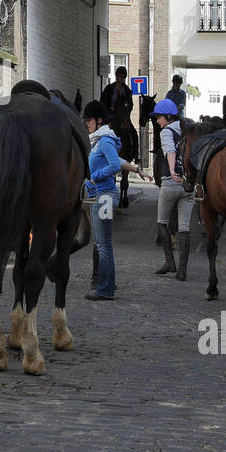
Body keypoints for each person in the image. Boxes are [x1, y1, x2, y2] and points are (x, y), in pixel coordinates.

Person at [82, 100, 143, 301]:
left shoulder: (105, 140)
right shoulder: (101, 139)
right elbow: (119, 162)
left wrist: (94, 176)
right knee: (103, 243)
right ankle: (106, 284)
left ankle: (105, 289)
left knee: (103, 244)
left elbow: (114, 164)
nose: (87, 123)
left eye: (89, 120)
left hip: (104, 197)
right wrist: (135, 169)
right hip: (100, 196)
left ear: (99, 120)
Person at [152, 98, 194, 280]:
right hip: (188, 185)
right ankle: (182, 270)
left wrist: (172, 171)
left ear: (168, 116)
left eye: (159, 117)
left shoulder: (166, 132)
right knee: (184, 227)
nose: (157, 121)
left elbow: (170, 151)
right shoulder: (188, 130)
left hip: (171, 182)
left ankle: (170, 262)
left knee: (162, 222)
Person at [100, 67, 138, 207]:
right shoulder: (109, 89)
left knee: (133, 133)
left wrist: (126, 115)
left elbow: (130, 105)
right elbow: (102, 102)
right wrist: (108, 114)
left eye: (123, 76)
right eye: (119, 76)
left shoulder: (127, 90)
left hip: (122, 118)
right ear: (116, 76)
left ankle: (135, 153)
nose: (121, 78)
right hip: (110, 119)